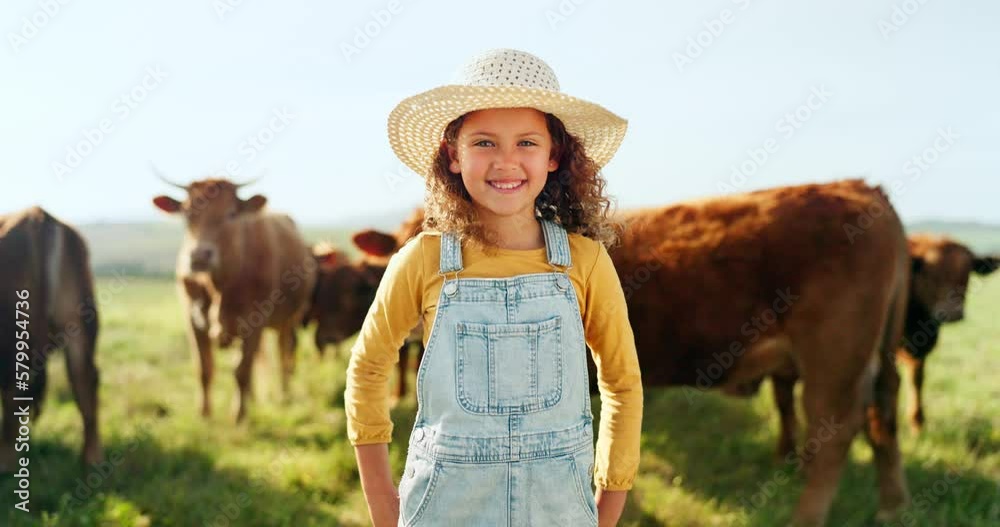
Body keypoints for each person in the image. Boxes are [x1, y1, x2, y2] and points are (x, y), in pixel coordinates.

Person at [345, 48, 643, 526]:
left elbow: (622, 384)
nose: (506, 162)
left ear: (554, 156)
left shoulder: (586, 262)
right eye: (484, 143)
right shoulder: (422, 260)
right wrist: (383, 504)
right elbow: (368, 368)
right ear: (453, 155)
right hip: (443, 510)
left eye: (526, 142)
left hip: (560, 511)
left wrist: (608, 506)